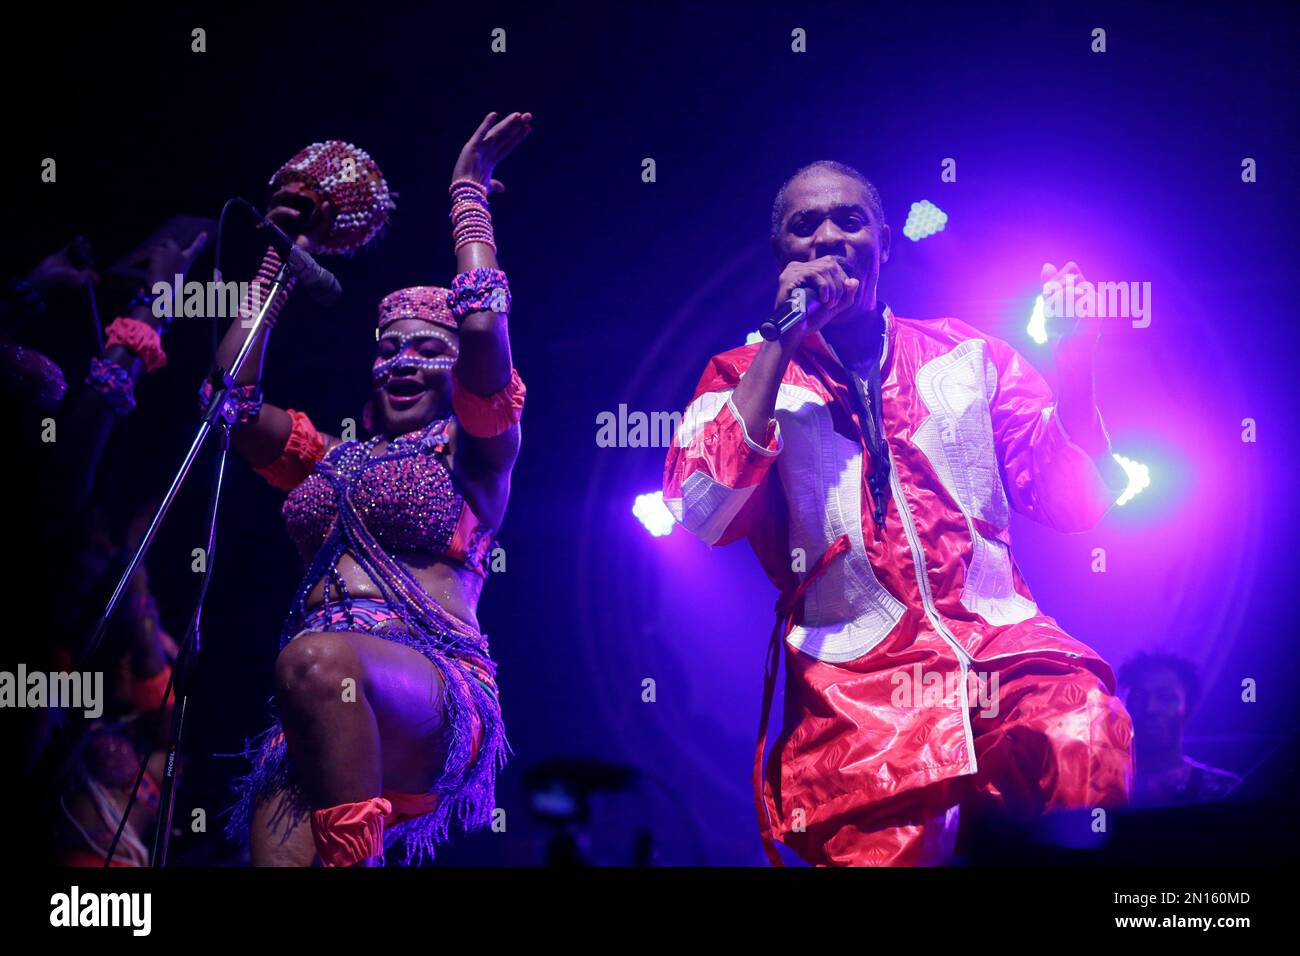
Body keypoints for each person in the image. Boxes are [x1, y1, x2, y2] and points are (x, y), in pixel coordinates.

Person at [663, 160, 1135, 866]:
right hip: (857, 697)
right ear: (780, 253)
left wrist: (1075, 366)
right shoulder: (739, 375)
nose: (827, 237)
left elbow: (1075, 501)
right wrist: (778, 342)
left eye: (849, 220)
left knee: (1081, 728)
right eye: (804, 224)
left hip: (1003, 657)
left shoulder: (972, 356)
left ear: (883, 241)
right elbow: (704, 512)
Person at [221, 112, 531, 866]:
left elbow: (485, 329)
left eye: (428, 350)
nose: (403, 361)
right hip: (324, 711)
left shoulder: (476, 452)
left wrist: (469, 198)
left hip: (430, 690)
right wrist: (279, 259)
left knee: (315, 660)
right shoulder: (324, 458)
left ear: (456, 373)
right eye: (389, 349)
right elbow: (227, 396)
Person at [1118, 651, 1241, 806]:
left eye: (1166, 697)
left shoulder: (1226, 791)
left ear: (1188, 709)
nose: (1150, 708)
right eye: (1138, 697)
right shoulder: (1090, 783)